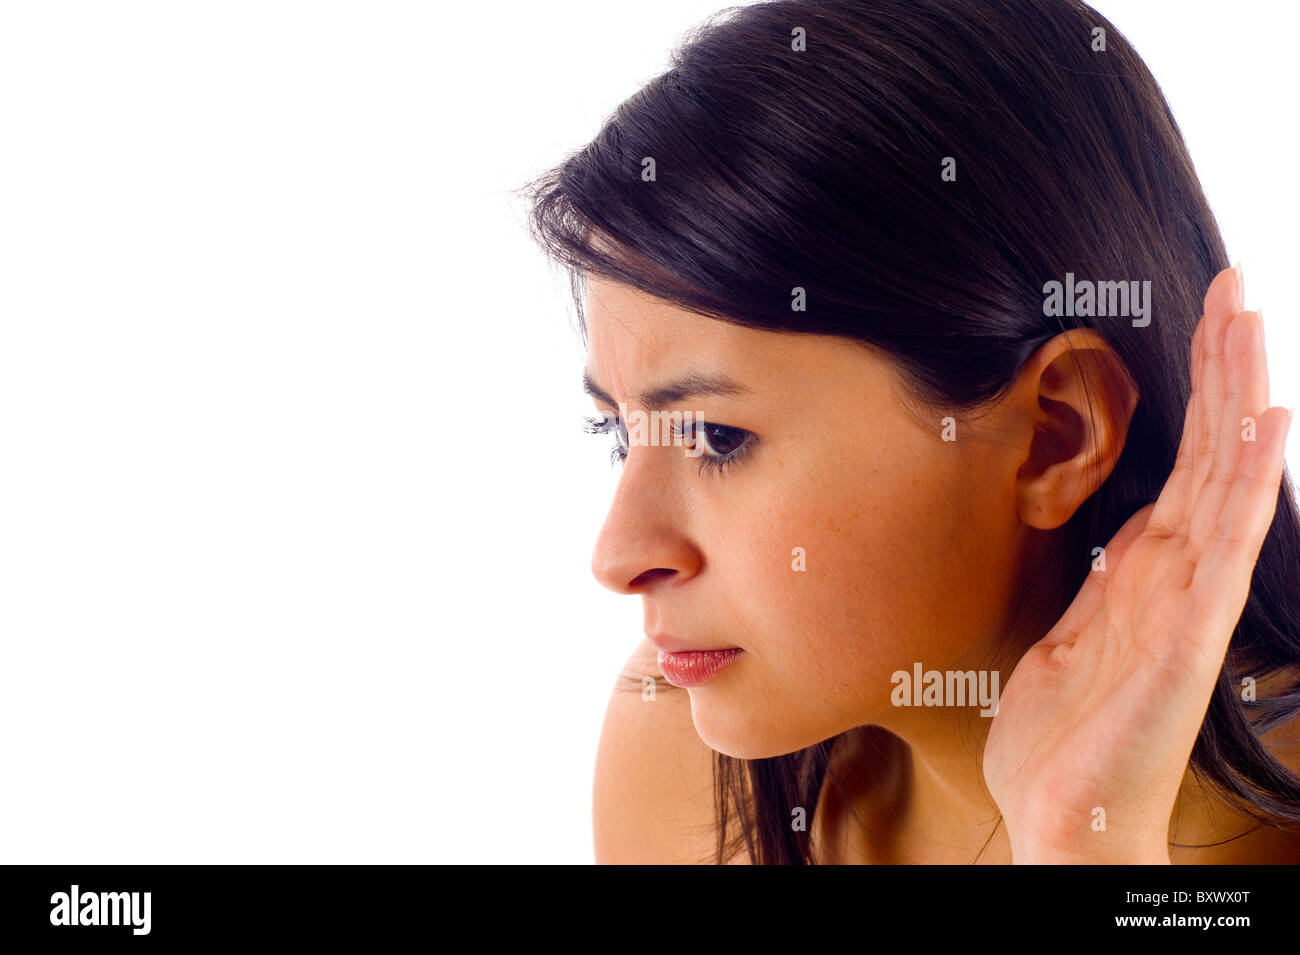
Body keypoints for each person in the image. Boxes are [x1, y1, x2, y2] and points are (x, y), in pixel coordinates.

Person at [516, 0, 1300, 863]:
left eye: (718, 436)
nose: (618, 555)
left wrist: (1084, 842)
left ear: (1054, 437)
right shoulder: (679, 759)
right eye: (620, 435)